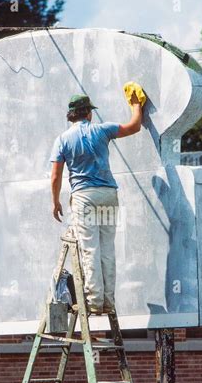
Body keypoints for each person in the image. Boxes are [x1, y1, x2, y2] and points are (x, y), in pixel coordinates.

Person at [50, 89, 144, 315]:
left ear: (70, 116)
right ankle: (109, 302)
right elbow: (134, 126)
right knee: (107, 248)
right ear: (89, 114)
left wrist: (55, 202)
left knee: (89, 248)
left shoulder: (63, 139)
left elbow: (56, 176)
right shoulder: (103, 130)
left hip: (84, 196)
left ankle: (94, 302)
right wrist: (136, 103)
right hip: (109, 194)